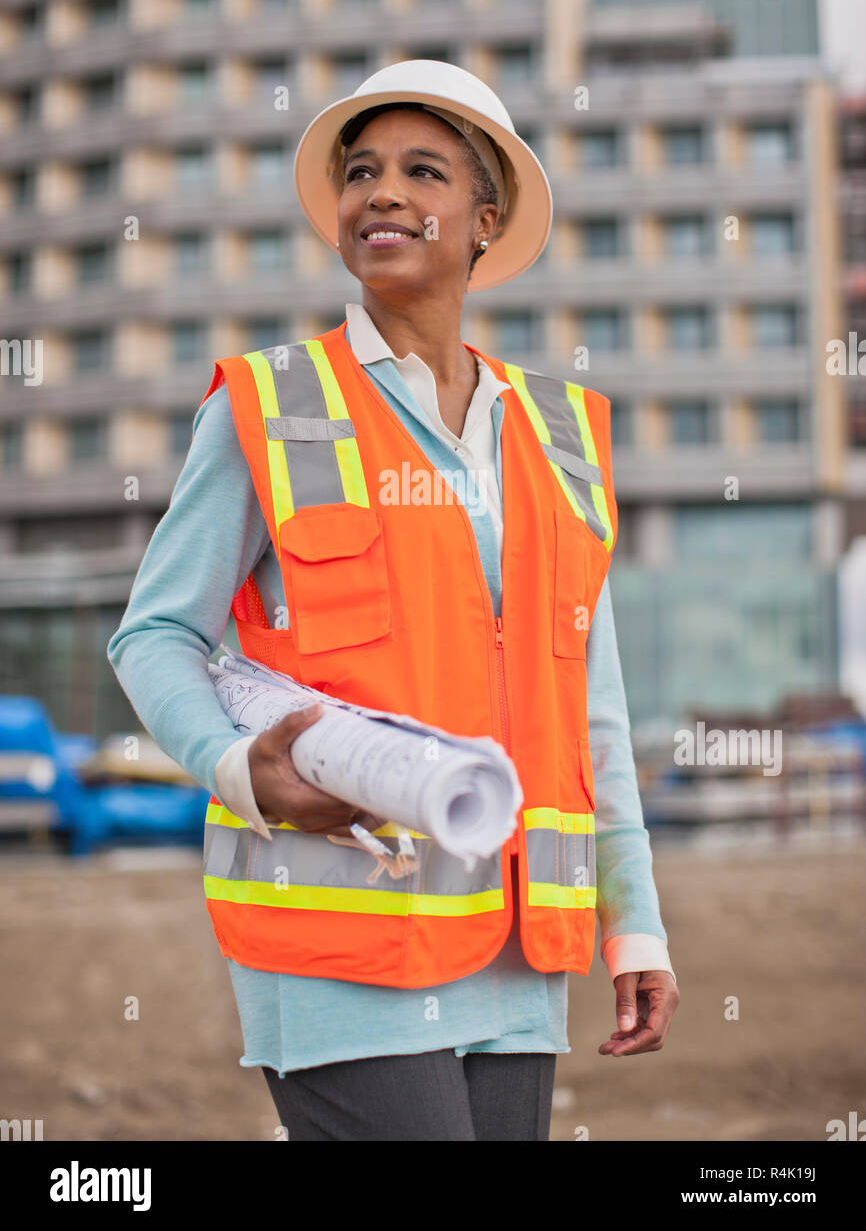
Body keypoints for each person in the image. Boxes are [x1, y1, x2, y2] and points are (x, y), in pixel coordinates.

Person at [107, 60, 679, 1141]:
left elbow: (589, 713)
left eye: (422, 171)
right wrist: (240, 769)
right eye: (360, 173)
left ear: (481, 219)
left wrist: (633, 926)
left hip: (516, 955)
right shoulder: (269, 407)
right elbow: (156, 634)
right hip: (338, 943)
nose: (380, 192)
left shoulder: (557, 437)